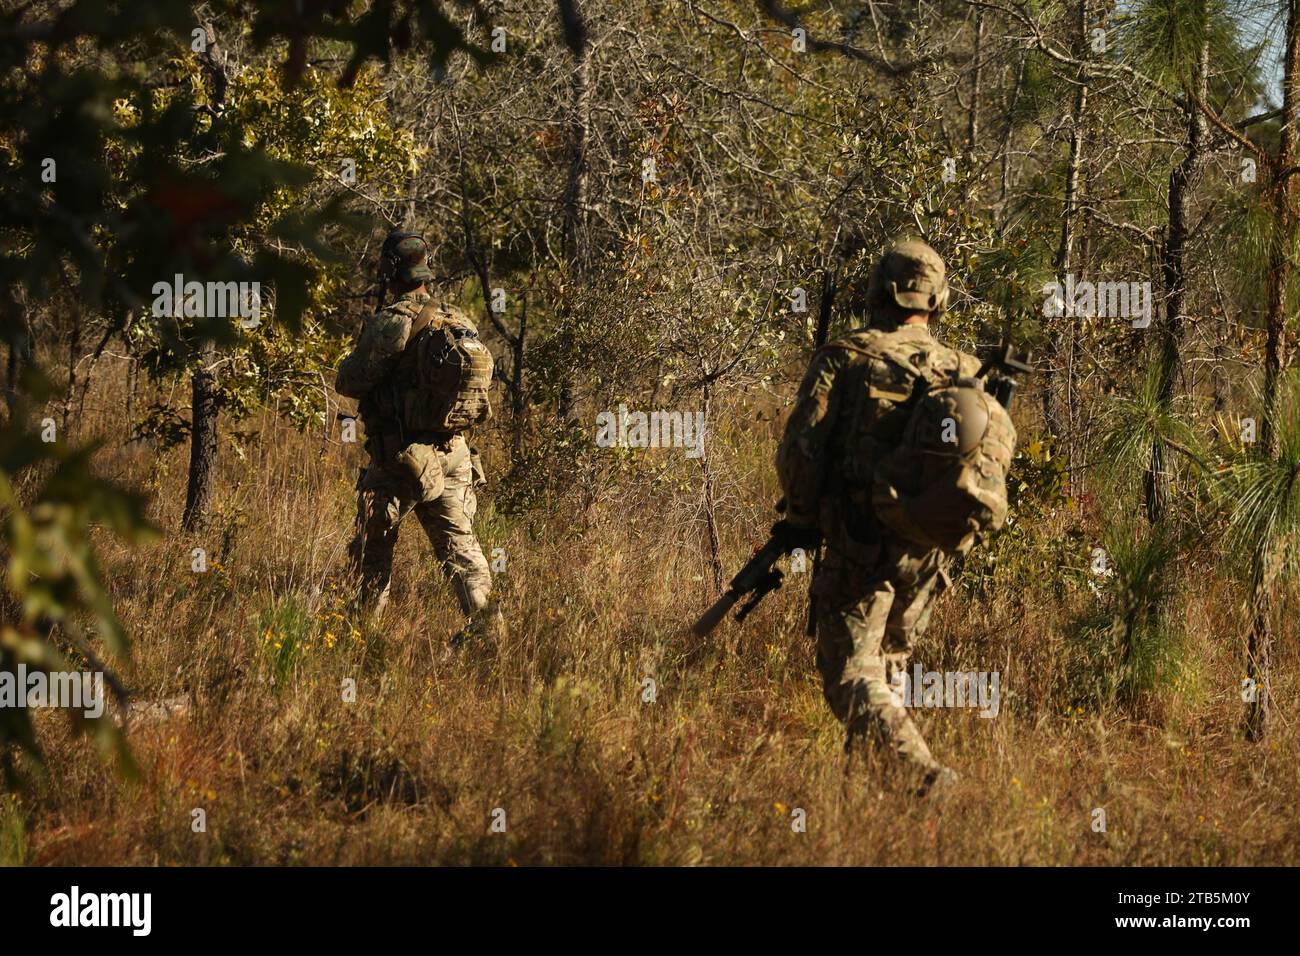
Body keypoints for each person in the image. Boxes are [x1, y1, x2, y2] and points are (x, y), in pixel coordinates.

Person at [335, 230, 503, 647]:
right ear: (425, 269)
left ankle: (362, 640)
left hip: (402, 457)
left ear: (391, 270)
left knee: (374, 552)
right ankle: (489, 632)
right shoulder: (458, 317)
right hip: (454, 453)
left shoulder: (392, 321)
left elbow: (350, 381)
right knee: (462, 550)